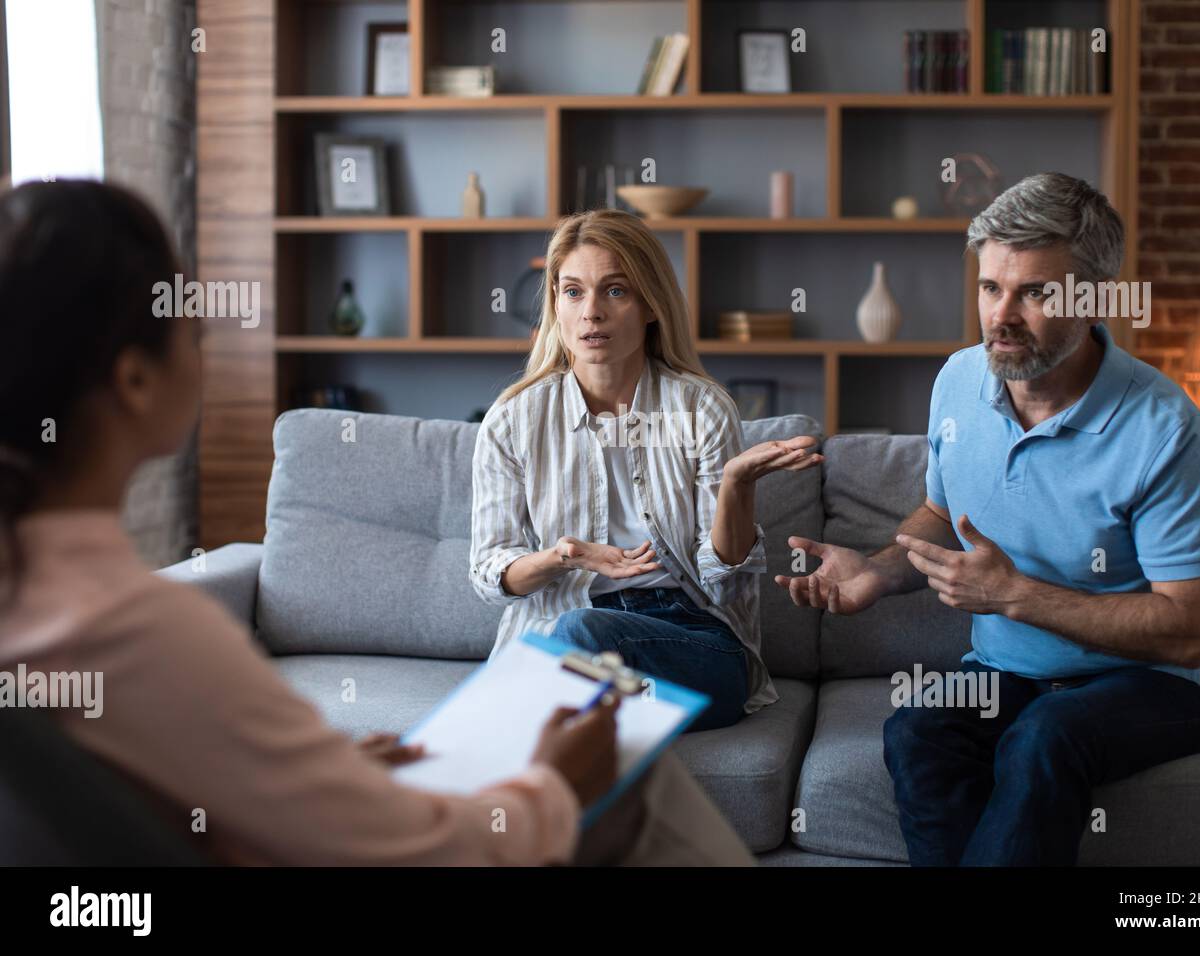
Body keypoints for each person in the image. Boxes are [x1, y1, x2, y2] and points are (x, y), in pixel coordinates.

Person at [0, 179, 751, 866]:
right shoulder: (153, 637)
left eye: (615, 292)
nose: (205, 332)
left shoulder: (51, 619)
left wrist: (340, 778)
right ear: (135, 379)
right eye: (187, 318)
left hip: (678, 636)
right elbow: (414, 851)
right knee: (637, 792)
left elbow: (235, 808)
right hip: (548, 680)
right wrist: (554, 788)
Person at [777, 172, 1200, 865]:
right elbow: (938, 513)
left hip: (1154, 687)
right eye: (991, 288)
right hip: (1005, 673)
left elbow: (1190, 633)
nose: (1001, 316)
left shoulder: (1163, 425)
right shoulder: (959, 381)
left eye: (1036, 292)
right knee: (918, 730)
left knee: (1047, 734)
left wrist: (1015, 596)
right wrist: (878, 570)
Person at [470, 208, 821, 732]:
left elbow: (725, 583)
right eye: (573, 292)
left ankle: (543, 724)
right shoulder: (513, 419)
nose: (591, 312)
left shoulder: (703, 407)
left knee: (580, 644)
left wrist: (735, 487)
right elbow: (490, 572)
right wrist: (564, 557)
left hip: (690, 641)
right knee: (576, 638)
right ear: (554, 305)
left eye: (615, 291)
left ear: (650, 305)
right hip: (565, 631)